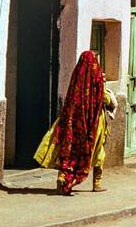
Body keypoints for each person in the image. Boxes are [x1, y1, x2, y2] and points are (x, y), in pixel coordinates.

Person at [49, 50, 117, 194]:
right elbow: (105, 99)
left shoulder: (76, 80)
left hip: (74, 124)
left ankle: (62, 179)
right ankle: (96, 183)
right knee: (99, 153)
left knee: (70, 152)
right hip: (94, 123)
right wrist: (108, 94)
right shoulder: (97, 79)